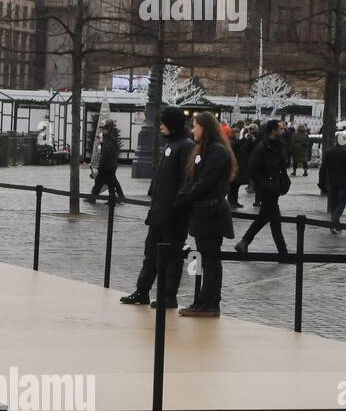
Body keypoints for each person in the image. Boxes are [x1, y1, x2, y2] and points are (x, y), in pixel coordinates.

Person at [120, 107, 194, 310]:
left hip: (173, 214)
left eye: (164, 123)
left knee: (171, 257)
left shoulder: (185, 146)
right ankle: (142, 291)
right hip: (159, 212)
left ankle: (169, 296)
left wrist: (176, 206)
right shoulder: (170, 145)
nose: (160, 126)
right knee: (151, 253)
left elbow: (186, 181)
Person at [174, 111, 237, 317]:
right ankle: (203, 300)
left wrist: (187, 198)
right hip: (202, 212)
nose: (193, 130)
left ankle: (209, 302)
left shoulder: (217, 151)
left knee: (210, 260)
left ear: (205, 128)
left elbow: (206, 181)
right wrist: (183, 196)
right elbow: (192, 179)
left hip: (210, 213)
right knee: (204, 258)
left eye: (196, 126)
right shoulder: (204, 150)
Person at [234, 119, 289, 259]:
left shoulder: (277, 146)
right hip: (267, 189)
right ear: (273, 131)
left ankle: (244, 242)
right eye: (280, 129)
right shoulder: (262, 147)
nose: (283, 131)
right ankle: (283, 254)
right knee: (275, 220)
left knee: (264, 217)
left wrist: (284, 180)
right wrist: (264, 184)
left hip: (274, 187)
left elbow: (280, 166)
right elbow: (253, 168)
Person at [318, 131, 346, 234]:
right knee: (342, 203)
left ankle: (337, 226)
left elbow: (323, 168)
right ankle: (333, 222)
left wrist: (321, 182)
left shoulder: (328, 152)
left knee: (334, 204)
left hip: (331, 181)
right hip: (344, 182)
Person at [87, 120, 125, 206]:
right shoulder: (109, 138)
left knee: (101, 182)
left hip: (107, 166)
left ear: (108, 129)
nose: (102, 131)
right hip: (109, 166)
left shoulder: (109, 139)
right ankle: (115, 199)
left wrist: (100, 166)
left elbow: (106, 153)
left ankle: (93, 198)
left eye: (103, 129)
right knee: (110, 183)